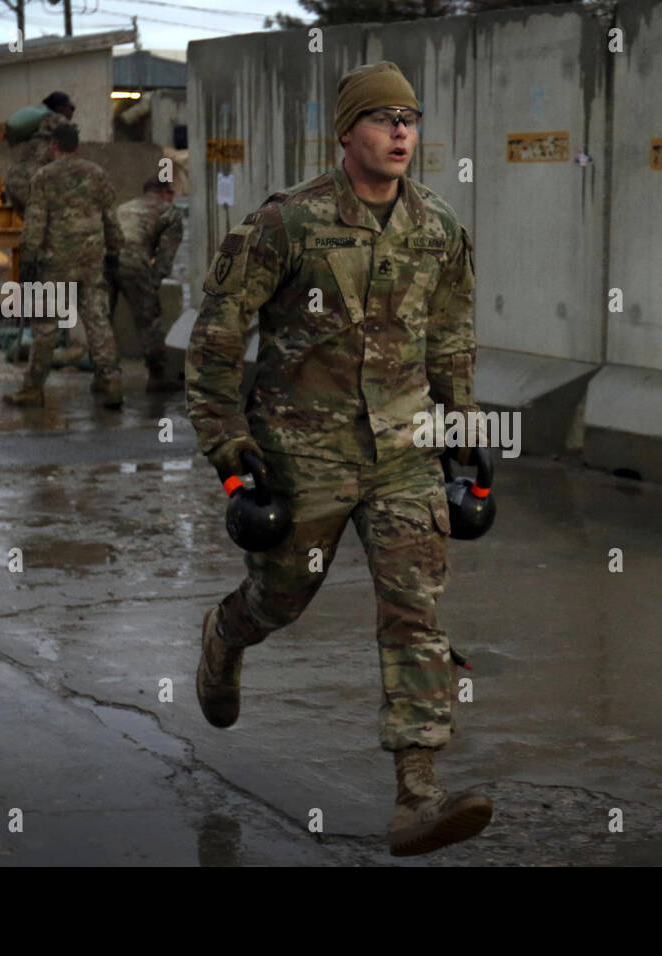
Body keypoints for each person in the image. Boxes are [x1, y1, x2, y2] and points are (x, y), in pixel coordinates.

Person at [186, 61, 493, 857]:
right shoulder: (286, 224)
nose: (400, 131)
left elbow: (451, 335)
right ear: (345, 133)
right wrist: (231, 451)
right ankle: (226, 634)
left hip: (404, 454)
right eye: (383, 118)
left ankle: (417, 795)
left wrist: (464, 437)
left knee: (414, 613)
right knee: (282, 598)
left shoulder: (438, 228)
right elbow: (217, 339)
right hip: (303, 452)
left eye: (410, 118)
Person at [4, 123, 125, 408]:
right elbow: (110, 216)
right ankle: (111, 381)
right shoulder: (97, 174)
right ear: (77, 146)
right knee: (97, 321)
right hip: (91, 261)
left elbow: (35, 221)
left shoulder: (44, 176)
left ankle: (33, 388)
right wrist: (114, 251)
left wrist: (28, 258)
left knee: (46, 327)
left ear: (54, 146)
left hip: (56, 264)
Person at [111, 177, 184, 392]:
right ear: (163, 193)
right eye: (170, 193)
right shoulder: (169, 212)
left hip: (103, 260)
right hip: (133, 261)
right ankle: (157, 376)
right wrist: (152, 283)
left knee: (102, 323)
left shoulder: (123, 207)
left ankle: (105, 378)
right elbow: (165, 258)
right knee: (148, 320)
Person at [5, 91, 74, 217]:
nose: (72, 112)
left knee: (34, 225)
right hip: (29, 182)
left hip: (14, 179)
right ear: (60, 108)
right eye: (70, 108)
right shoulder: (59, 122)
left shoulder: (40, 128)